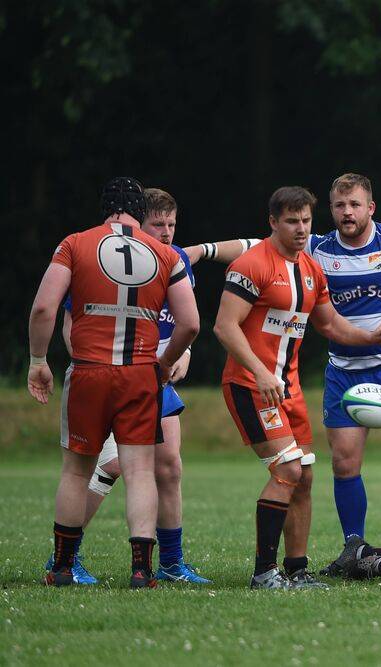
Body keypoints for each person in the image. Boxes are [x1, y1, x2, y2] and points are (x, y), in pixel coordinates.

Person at [48, 188, 258, 585]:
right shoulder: (110, 256)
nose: (165, 232)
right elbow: (72, 322)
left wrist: (183, 355)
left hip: (154, 375)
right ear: (137, 224)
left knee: (169, 467)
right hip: (122, 372)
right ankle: (65, 557)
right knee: (112, 465)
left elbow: (186, 323)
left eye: (171, 225)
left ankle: (171, 563)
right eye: (157, 225)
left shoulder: (173, 258)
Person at [213, 186, 381, 589]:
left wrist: (371, 337)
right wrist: (261, 374)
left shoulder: (311, 269)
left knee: (306, 476)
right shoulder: (251, 265)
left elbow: (330, 324)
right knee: (287, 469)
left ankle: (296, 571)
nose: (301, 229)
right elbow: (225, 327)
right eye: (292, 221)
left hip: (288, 389)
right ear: (273, 222)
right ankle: (264, 572)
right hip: (251, 385)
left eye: (306, 221)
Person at [30, 177, 199, 588]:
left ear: (104, 207)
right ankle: (141, 569)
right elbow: (191, 324)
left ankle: (63, 566)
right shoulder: (164, 254)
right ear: (141, 212)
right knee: (141, 471)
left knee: (75, 472)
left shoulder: (74, 244)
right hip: (140, 374)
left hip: (89, 370)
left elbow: (43, 308)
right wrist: (165, 363)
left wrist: (38, 360)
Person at [295, 174, 381, 576]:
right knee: (344, 464)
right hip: (345, 373)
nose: (346, 212)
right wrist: (197, 252)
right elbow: (254, 249)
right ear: (330, 210)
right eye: (339, 205)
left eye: (354, 205)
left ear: (371, 208)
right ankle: (355, 544)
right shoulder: (316, 249)